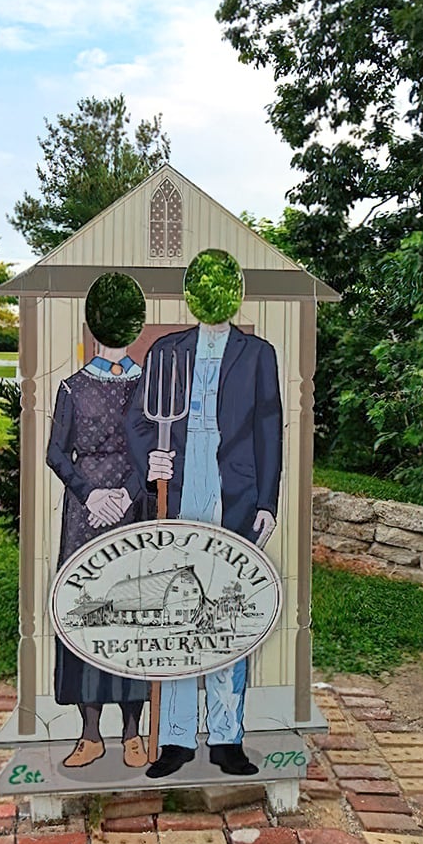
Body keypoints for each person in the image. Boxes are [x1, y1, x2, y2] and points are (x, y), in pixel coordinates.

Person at [126, 318, 282, 778]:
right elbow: (139, 420)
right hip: (176, 488)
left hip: (233, 488)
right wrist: (148, 460)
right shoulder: (166, 350)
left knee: (225, 613)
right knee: (176, 612)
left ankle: (226, 737)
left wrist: (267, 500)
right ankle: (174, 736)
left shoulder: (257, 353)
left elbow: (269, 429)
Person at [46, 338, 150, 769]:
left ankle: (132, 733)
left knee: (136, 611)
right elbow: (56, 452)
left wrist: (127, 494)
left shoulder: (150, 387)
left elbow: (161, 449)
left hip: (134, 508)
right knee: (85, 612)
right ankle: (90, 734)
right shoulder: (71, 387)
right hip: (84, 516)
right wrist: (90, 495)